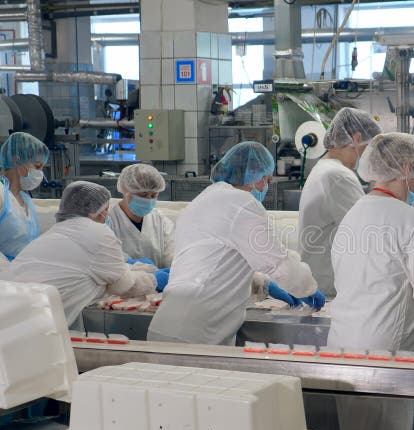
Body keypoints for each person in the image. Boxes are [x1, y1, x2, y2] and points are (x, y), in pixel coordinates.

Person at [327, 132, 414, 430]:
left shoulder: (351, 217)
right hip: (386, 356)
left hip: (343, 348)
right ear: (404, 169)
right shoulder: (413, 222)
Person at [147, 141, 321, 346]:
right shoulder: (242, 204)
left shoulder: (204, 200)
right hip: (197, 330)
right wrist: (308, 288)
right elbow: (278, 264)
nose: (265, 186)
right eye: (266, 180)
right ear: (255, 178)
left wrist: (263, 284)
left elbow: (220, 260)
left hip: (169, 322)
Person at [0, 181, 165, 329]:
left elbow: (82, 267)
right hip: (44, 324)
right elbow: (123, 285)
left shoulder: (53, 233)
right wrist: (155, 279)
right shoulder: (99, 232)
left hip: (13, 317)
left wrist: (132, 267)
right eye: (106, 209)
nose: (107, 215)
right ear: (94, 211)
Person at [298, 108, 382, 297]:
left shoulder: (324, 169)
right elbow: (366, 232)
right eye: (368, 148)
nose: (370, 156)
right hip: (330, 288)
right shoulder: (337, 176)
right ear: (356, 138)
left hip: (322, 283)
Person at [106, 163, 175, 268]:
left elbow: (171, 252)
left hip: (160, 282)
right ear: (125, 190)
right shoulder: (109, 221)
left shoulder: (160, 220)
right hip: (124, 282)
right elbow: (109, 259)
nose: (148, 200)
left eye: (153, 195)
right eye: (142, 195)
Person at [0, 132, 49, 261]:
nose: (40, 174)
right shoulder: (1, 195)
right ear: (17, 160)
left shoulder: (26, 201)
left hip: (22, 274)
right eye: (37, 167)